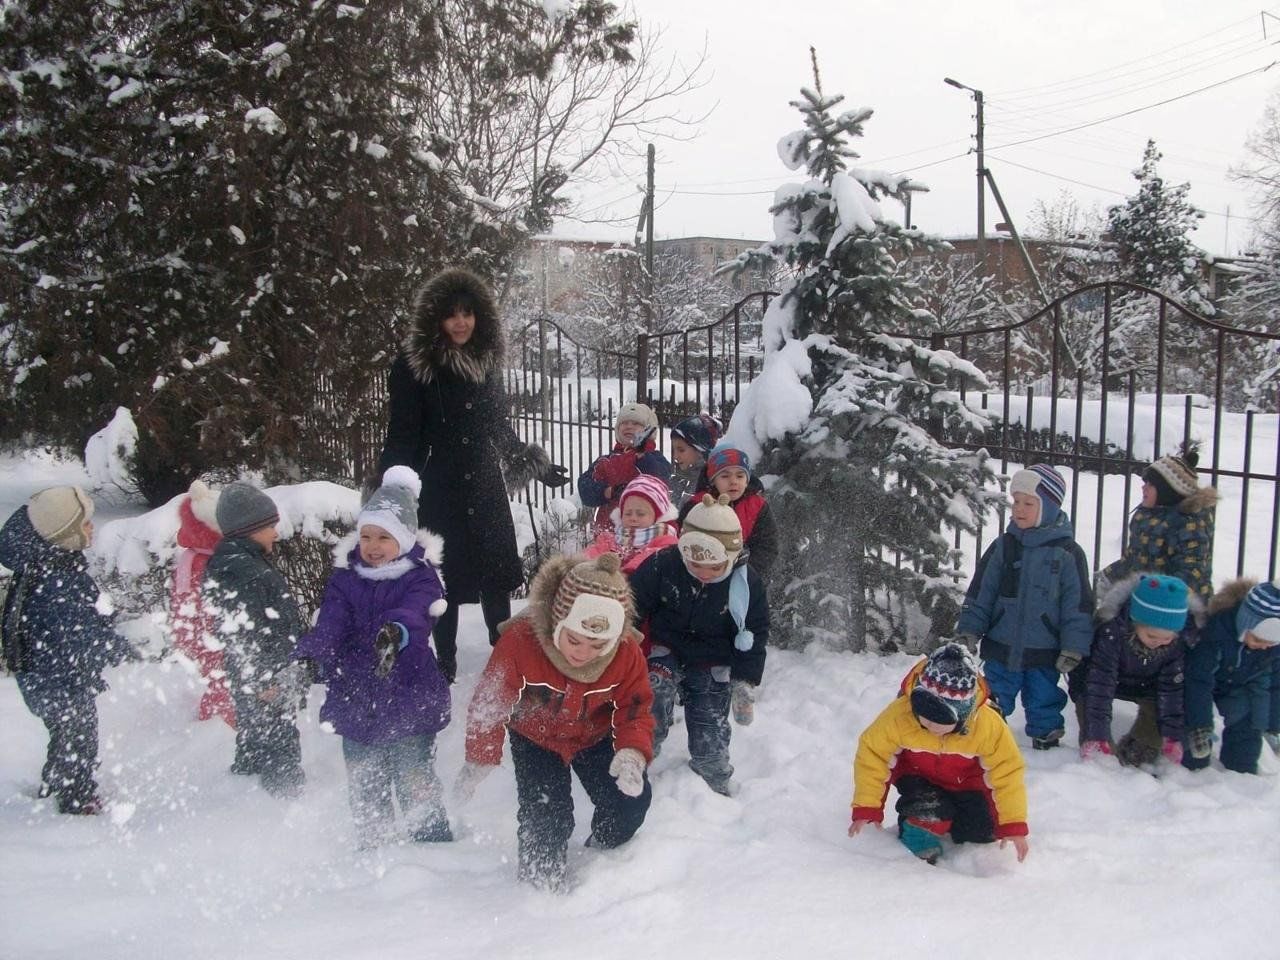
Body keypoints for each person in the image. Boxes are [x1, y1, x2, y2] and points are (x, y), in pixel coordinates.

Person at [376, 267, 569, 682]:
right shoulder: (413, 369)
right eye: (451, 315)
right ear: (436, 320)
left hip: (483, 482)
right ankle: (444, 659)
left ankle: (503, 652)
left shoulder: (485, 363)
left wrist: (535, 464)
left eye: (467, 313)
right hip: (438, 485)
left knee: (494, 574)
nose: (461, 322)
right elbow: (402, 434)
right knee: (442, 575)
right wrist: (390, 488)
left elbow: (498, 427)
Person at [456, 552, 654, 892]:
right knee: (547, 814)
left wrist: (632, 753)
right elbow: (491, 700)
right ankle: (539, 887)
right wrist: (480, 756)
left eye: (597, 644)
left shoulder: (625, 652)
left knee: (629, 802)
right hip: (535, 738)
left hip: (593, 736)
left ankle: (601, 855)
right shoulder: (522, 640)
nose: (582, 652)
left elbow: (634, 706)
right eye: (573, 639)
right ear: (556, 621)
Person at [282, 467, 453, 847]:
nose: (373, 545)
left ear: (405, 539)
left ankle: (433, 847)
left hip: (409, 697)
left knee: (414, 780)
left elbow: (416, 614)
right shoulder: (346, 579)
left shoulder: (420, 578)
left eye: (384, 537)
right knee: (365, 782)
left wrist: (395, 632)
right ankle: (374, 846)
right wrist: (310, 656)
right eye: (366, 536)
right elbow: (331, 624)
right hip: (355, 697)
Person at [0, 487, 131, 815]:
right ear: (63, 534)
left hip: (49, 676)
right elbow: (80, 636)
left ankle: (53, 786)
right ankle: (76, 802)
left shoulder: (51, 565)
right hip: (57, 681)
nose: (92, 528)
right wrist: (124, 645)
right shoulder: (56, 580)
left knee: (67, 737)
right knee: (78, 739)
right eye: (84, 524)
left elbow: (83, 620)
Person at [630, 493, 768, 796]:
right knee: (652, 694)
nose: (704, 573)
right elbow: (633, 603)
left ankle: (713, 776)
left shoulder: (746, 584)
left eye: (715, 568)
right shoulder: (663, 565)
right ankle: (637, 755)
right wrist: (625, 640)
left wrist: (744, 681)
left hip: (713, 658)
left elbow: (755, 631)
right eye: (695, 564)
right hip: (666, 649)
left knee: (709, 721)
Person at [849, 643, 1029, 865]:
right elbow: (873, 757)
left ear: (962, 715)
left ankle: (957, 821)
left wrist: (1012, 824)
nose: (930, 727)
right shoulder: (900, 716)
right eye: (923, 718)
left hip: (968, 784)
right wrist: (867, 808)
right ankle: (918, 831)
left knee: (980, 831)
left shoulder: (987, 726)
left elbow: (1007, 773)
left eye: (940, 722)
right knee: (927, 811)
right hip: (919, 780)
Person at [955, 464, 1094, 750]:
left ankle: (1047, 734)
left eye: (1029, 503)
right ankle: (986, 730)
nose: (1019, 509)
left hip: (1044, 646)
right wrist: (970, 628)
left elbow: (1077, 605)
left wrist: (1074, 645)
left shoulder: (1068, 554)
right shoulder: (1004, 547)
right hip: (1001, 642)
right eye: (1016, 501)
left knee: (1042, 694)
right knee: (994, 691)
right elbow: (982, 591)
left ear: (1051, 507)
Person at [203, 481, 307, 798]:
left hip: (255, 670)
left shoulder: (240, 562)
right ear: (251, 529)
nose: (276, 532)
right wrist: (264, 679)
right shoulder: (245, 571)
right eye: (270, 526)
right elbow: (245, 632)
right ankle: (284, 794)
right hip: (265, 673)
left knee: (254, 730)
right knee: (278, 734)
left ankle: (246, 784)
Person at [1070, 574, 1200, 767]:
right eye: (1151, 636)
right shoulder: (1112, 632)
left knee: (1155, 717)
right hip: (1097, 682)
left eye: (1166, 638)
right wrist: (1097, 735)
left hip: (1147, 685)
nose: (1158, 643)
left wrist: (1172, 736)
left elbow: (1171, 691)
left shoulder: (1176, 645)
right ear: (1135, 621)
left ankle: (1138, 748)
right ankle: (1100, 750)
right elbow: (1099, 684)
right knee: (1091, 715)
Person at [1096, 444, 1218, 604]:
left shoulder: (1190, 524)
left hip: (1180, 608)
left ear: (1169, 491)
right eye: (1145, 482)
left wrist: (1150, 593)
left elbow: (1190, 575)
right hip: (1144, 597)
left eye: (1151, 484)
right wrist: (1109, 577)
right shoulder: (1145, 515)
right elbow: (1134, 559)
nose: (1143, 487)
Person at [1182, 577, 1280, 775]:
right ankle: (1191, 770)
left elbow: (1274, 685)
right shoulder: (1216, 632)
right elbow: (1198, 679)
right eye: (1259, 639)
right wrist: (1200, 726)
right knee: (1193, 725)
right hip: (1202, 683)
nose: (1264, 647)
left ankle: (1241, 770)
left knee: (1248, 719)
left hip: (1238, 687)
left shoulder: (1271, 648)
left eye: (1270, 644)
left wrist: (1272, 727)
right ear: (1246, 623)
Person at [169, 479, 235, 726]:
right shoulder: (205, 563)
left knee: (219, 677)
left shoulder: (194, 559)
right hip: (212, 632)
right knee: (221, 678)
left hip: (207, 632)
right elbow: (198, 603)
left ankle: (217, 714)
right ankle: (220, 721)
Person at [676, 443, 778, 578]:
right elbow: (681, 538)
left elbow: (767, 546)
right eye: (725, 476)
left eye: (740, 476)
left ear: (747, 481)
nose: (733, 481)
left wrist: (744, 569)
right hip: (701, 574)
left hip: (742, 577)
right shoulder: (698, 504)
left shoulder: (758, 506)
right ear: (713, 481)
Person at [578, 402, 671, 531]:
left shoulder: (653, 458)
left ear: (648, 430)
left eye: (636, 423)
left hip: (643, 531)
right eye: (624, 423)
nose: (629, 426)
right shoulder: (606, 461)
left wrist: (641, 454)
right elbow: (585, 488)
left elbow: (661, 479)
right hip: (608, 530)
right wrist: (607, 491)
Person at [582, 474, 679, 575]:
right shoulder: (611, 540)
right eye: (627, 513)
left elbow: (648, 561)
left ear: (657, 516)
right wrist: (582, 565)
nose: (633, 518)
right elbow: (592, 555)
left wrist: (626, 573)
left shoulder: (666, 541)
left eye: (640, 514)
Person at [668, 413, 721, 510]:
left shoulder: (709, 485)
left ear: (700, 450)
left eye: (681, 450)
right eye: (673, 450)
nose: (675, 456)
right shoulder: (675, 480)